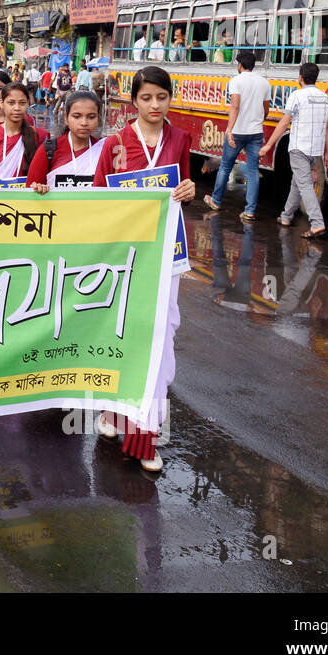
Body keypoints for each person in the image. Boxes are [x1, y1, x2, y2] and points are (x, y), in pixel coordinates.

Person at [92, 65, 195, 473]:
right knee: (124, 329)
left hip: (166, 254)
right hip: (125, 256)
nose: (155, 105)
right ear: (133, 101)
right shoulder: (114, 145)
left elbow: (185, 186)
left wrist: (189, 191)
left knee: (161, 333)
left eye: (162, 97)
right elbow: (98, 199)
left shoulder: (181, 139)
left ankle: (143, 434)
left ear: (170, 98)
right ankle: (115, 411)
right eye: (146, 98)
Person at [260, 62, 328, 238]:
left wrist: (269, 145)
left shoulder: (297, 96)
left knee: (304, 184)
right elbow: (326, 127)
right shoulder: (325, 98)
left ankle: (317, 223)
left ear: (300, 77)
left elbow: (284, 122)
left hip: (299, 147)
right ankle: (286, 216)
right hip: (315, 149)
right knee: (297, 182)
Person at [204, 50, 271, 221]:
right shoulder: (264, 83)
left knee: (225, 166)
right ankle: (249, 211)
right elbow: (266, 110)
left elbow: (235, 106)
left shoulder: (236, 81)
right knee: (253, 171)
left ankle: (216, 201)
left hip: (238, 132)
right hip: (256, 133)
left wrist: (229, 129)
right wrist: (258, 121)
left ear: (240, 65)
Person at [25, 90, 106, 190]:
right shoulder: (48, 151)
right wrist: (39, 189)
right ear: (66, 118)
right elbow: (29, 192)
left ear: (98, 119)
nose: (84, 123)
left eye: (91, 117)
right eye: (77, 117)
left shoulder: (104, 150)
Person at [0, 83, 49, 182]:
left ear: (28, 103)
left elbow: (44, 172)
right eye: (11, 103)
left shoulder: (40, 135)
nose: (17, 108)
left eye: (22, 103)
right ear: (2, 103)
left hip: (26, 195)